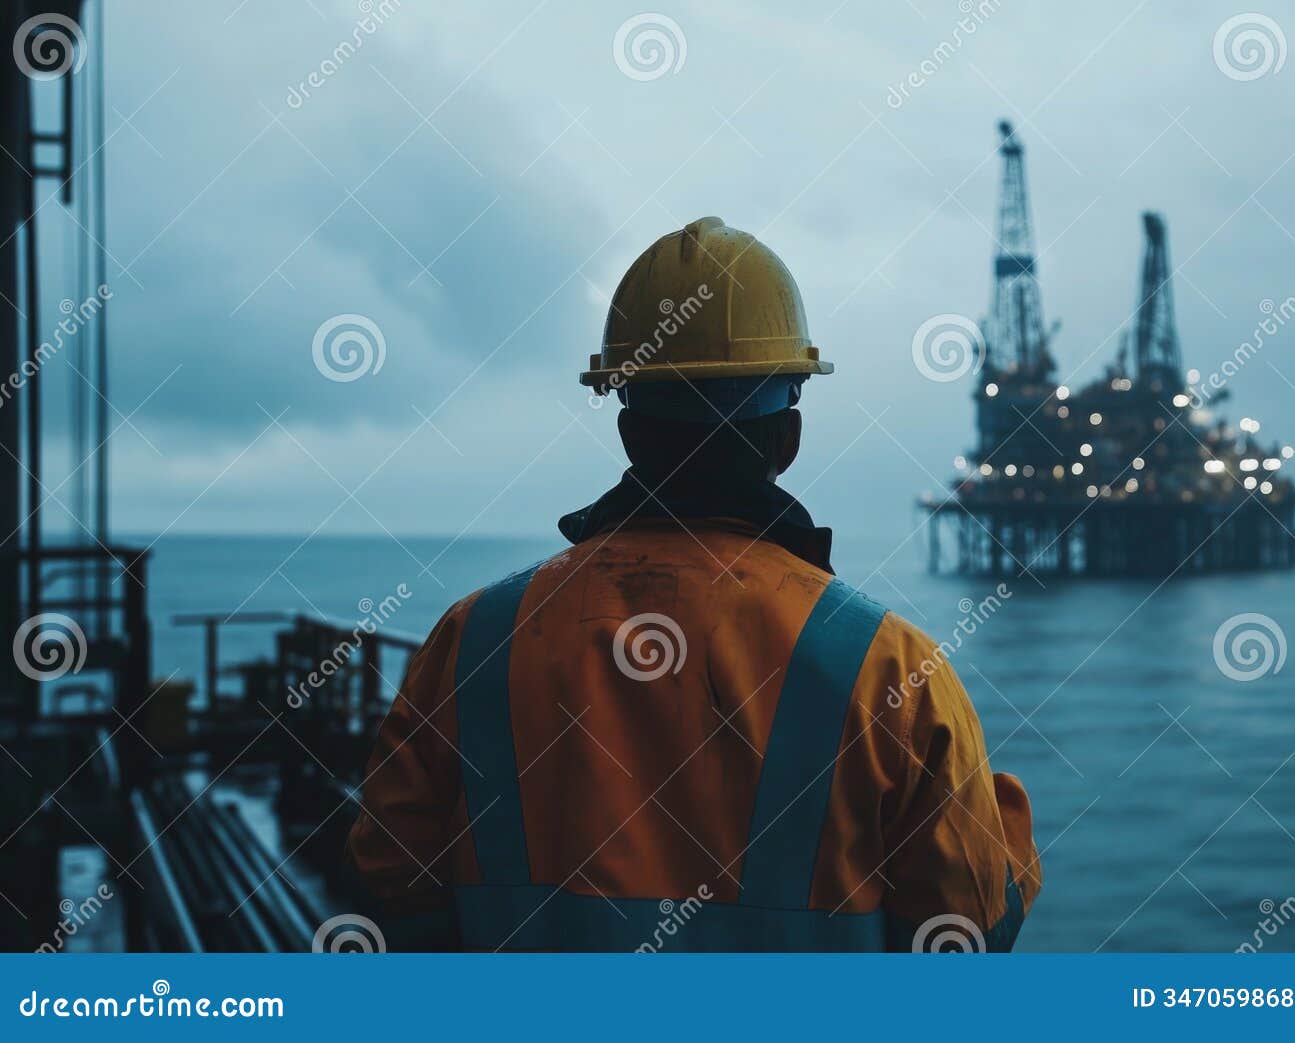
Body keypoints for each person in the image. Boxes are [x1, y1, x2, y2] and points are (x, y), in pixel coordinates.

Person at [346, 217, 1040, 951]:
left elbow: (389, 875)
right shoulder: (889, 669)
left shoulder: (473, 640)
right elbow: (972, 923)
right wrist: (1002, 819)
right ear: (788, 439)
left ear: (629, 433)